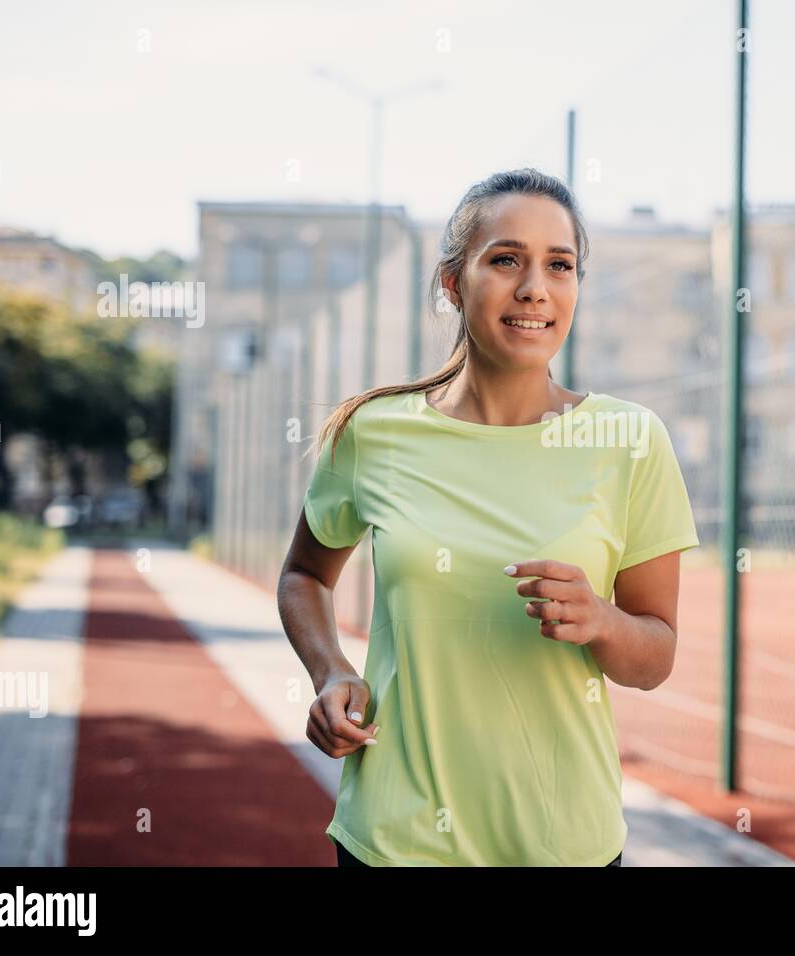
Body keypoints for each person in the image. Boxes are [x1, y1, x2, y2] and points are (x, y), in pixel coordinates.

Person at [277, 167, 699, 867]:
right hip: (395, 842)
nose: (535, 287)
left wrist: (601, 620)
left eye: (559, 266)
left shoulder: (631, 439)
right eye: (506, 259)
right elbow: (303, 576)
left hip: (564, 846)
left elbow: (654, 657)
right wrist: (328, 672)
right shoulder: (374, 433)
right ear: (453, 283)